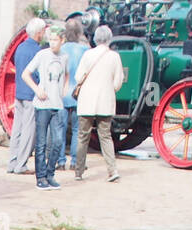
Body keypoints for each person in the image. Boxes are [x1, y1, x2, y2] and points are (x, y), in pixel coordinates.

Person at [73, 24, 126, 182]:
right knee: (106, 136)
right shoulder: (114, 57)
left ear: (95, 39)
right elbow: (118, 82)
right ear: (109, 39)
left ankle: (78, 171)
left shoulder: (88, 55)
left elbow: (78, 77)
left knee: (83, 137)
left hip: (87, 101)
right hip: (105, 101)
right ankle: (112, 170)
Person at [21, 27, 68, 190]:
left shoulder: (64, 57)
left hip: (57, 104)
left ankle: (50, 174)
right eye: (51, 39)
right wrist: (37, 89)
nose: (53, 43)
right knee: (41, 143)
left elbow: (66, 74)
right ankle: (40, 177)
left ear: (63, 41)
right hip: (42, 105)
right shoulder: (42, 55)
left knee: (57, 141)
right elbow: (25, 74)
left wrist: (64, 90)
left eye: (56, 40)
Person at [6, 18, 47, 174]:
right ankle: (21, 165)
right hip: (31, 94)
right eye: (43, 31)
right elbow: (37, 74)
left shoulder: (20, 48)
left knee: (17, 129)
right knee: (28, 131)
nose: (43, 34)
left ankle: (12, 162)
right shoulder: (37, 52)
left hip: (19, 93)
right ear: (38, 33)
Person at [59, 18, 89, 170]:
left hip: (62, 94)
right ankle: (75, 161)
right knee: (78, 130)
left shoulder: (60, 49)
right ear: (79, 33)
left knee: (60, 128)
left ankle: (60, 160)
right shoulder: (84, 50)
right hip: (78, 94)